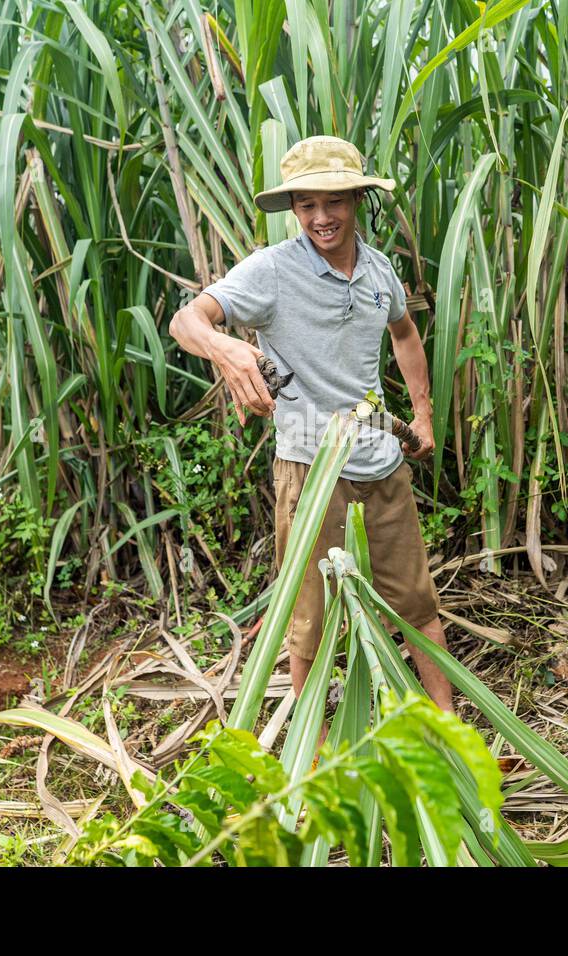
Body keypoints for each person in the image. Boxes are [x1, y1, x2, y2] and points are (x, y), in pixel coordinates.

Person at [168, 135, 454, 715]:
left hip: (381, 461)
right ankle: (313, 749)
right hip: (311, 469)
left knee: (418, 605)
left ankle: (449, 727)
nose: (321, 218)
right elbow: (187, 319)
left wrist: (422, 411)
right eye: (306, 205)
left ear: (356, 200)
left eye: (334, 202)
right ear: (294, 209)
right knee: (311, 618)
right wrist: (227, 351)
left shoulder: (379, 273)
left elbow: (403, 333)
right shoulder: (272, 272)